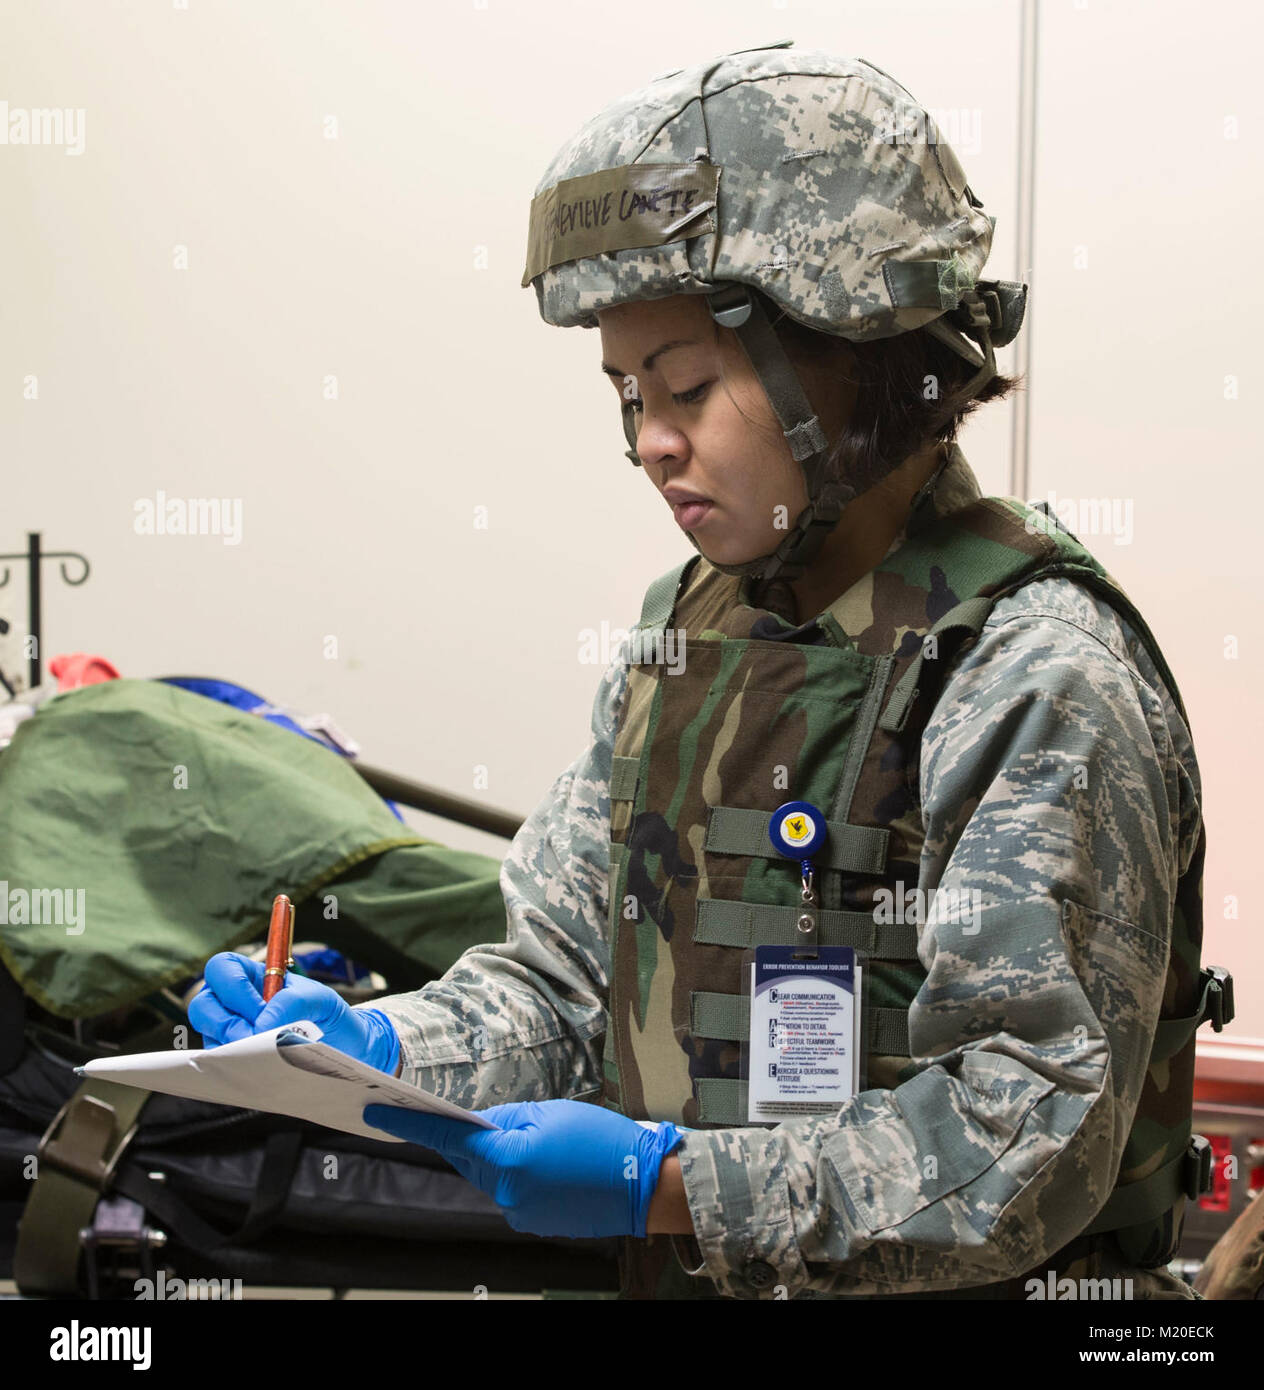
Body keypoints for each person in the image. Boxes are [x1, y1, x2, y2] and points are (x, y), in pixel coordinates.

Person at [192, 42, 1226, 1300]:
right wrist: (364, 1048)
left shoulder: (1030, 671)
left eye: (686, 384)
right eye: (627, 393)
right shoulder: (688, 632)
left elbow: (1025, 1140)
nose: (648, 442)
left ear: (850, 367)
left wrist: (668, 1187)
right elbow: (568, 986)